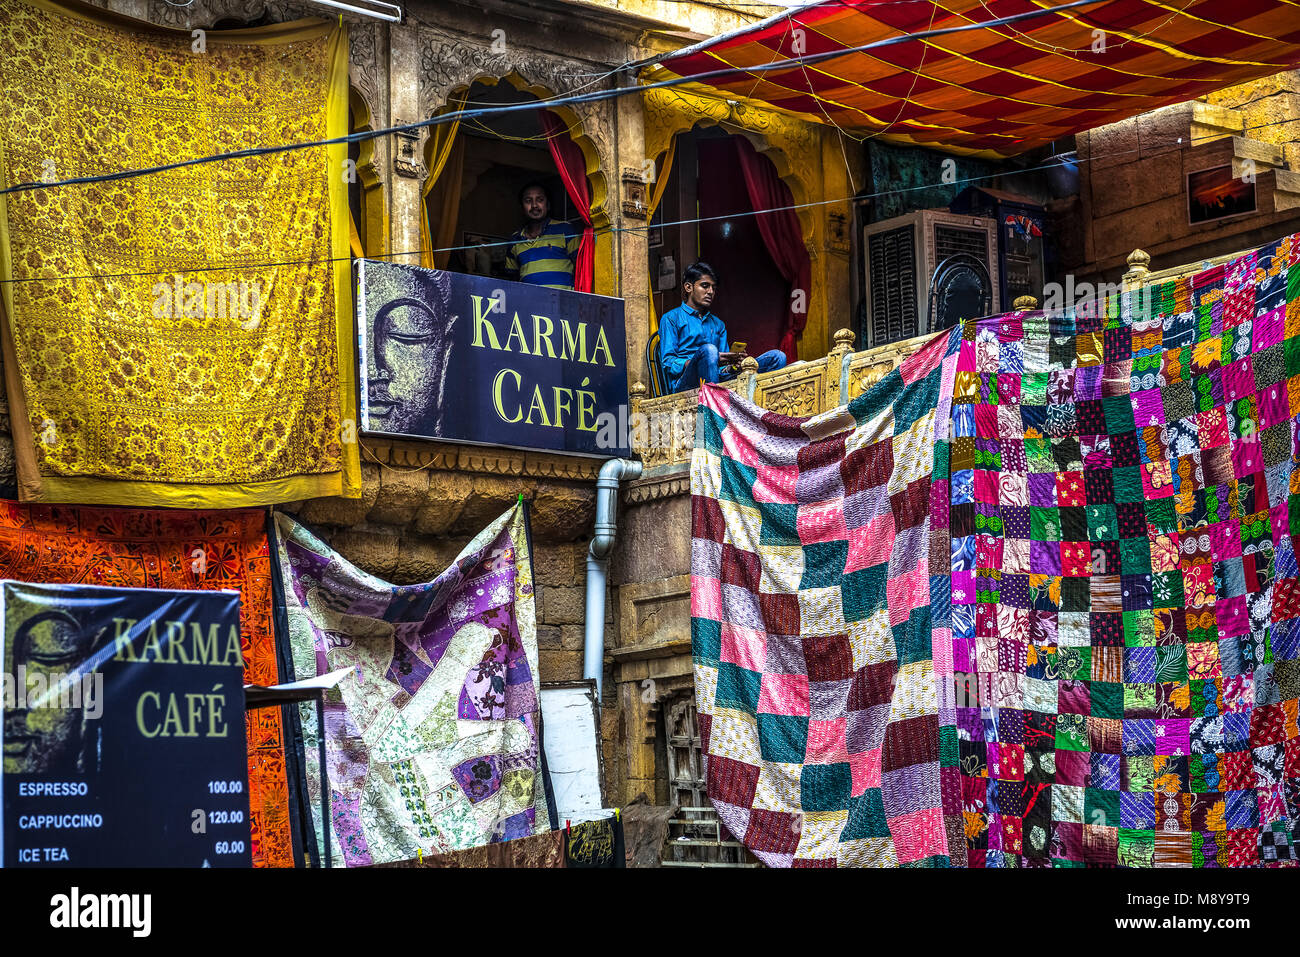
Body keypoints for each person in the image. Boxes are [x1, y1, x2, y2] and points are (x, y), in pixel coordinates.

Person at [658, 262, 787, 393]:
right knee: (709, 351)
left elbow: (722, 369)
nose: (710, 292)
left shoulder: (718, 324)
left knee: (777, 357)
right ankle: (715, 406)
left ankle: (753, 408)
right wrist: (702, 361)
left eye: (713, 288)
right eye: (705, 286)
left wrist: (732, 365)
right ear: (688, 287)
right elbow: (668, 362)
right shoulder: (671, 318)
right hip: (685, 383)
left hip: (718, 379)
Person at [505, 182, 580, 290]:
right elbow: (512, 281)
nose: (534, 205)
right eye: (528, 201)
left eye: (540, 200)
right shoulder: (515, 240)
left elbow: (582, 268)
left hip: (563, 302)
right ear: (522, 207)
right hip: (529, 303)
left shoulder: (565, 230)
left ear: (548, 205)